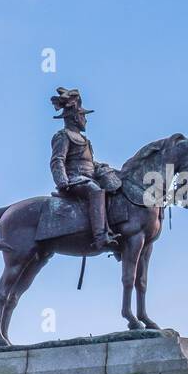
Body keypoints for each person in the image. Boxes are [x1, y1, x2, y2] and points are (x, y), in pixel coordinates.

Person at [49, 87, 121, 252]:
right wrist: (62, 181)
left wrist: (105, 169)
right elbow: (57, 160)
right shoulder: (63, 135)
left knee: (112, 190)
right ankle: (100, 237)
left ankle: (115, 232)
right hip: (75, 180)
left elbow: (89, 163)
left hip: (89, 177)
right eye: (83, 116)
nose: (85, 120)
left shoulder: (85, 140)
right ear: (75, 117)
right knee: (95, 191)